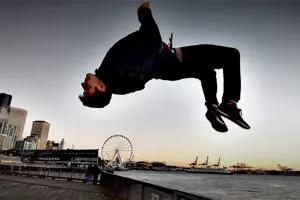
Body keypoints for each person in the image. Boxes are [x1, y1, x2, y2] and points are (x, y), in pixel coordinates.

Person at [79, 1, 250, 132]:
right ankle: (229, 103)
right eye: (88, 88)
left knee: (206, 72)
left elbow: (140, 84)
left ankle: (212, 108)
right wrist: (144, 14)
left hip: (169, 69)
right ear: (101, 88)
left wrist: (151, 66)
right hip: (176, 60)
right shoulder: (114, 68)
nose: (84, 83)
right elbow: (153, 43)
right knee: (231, 55)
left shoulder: (117, 84)